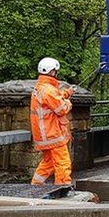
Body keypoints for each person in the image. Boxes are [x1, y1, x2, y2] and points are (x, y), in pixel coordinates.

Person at [30, 57, 74, 188]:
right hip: (52, 134)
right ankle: (63, 187)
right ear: (52, 72)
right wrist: (68, 103)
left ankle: (35, 185)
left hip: (44, 134)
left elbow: (55, 97)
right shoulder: (48, 90)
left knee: (48, 163)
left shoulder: (41, 87)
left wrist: (66, 93)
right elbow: (62, 109)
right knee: (63, 163)